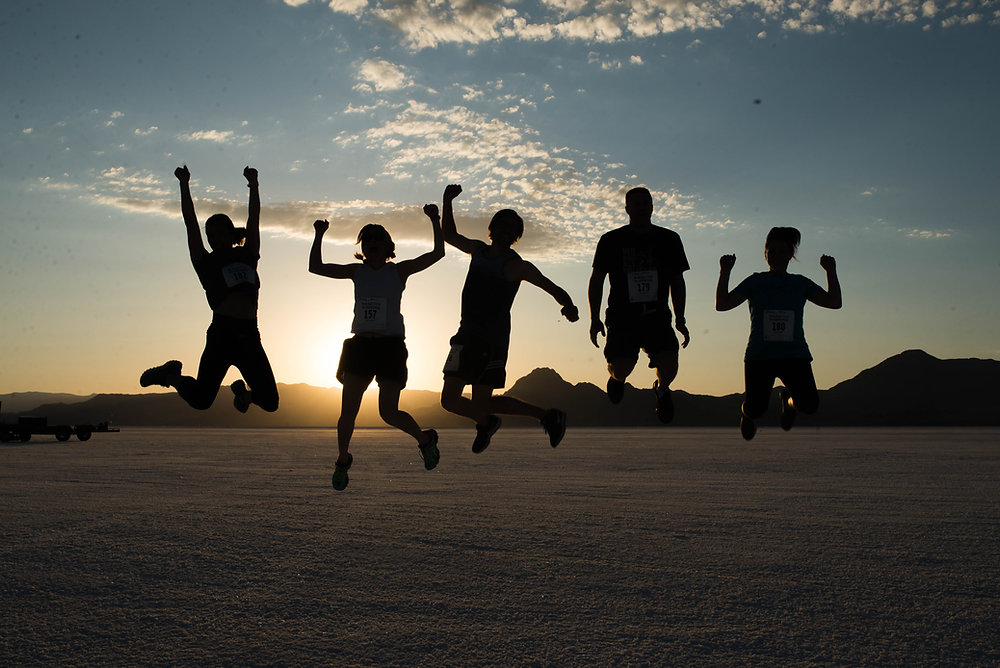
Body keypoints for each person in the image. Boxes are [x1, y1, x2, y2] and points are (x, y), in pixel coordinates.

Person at [309, 205, 444, 490]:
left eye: (377, 238)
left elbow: (437, 254)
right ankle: (342, 460)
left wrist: (435, 219)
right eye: (367, 239)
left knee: (388, 412)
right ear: (362, 248)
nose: (372, 242)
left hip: (390, 347)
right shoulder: (357, 272)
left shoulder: (399, 271)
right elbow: (316, 267)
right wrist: (319, 235)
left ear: (388, 246)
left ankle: (425, 440)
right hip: (360, 346)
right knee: (348, 412)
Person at [439, 184, 579, 453]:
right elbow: (449, 235)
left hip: (491, 341)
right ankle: (488, 422)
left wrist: (568, 305)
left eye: (512, 229)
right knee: (449, 401)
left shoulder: (517, 266)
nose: (506, 231)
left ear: (517, 236)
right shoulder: (477, 251)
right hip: (465, 336)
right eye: (502, 225)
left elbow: (551, 287)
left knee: (481, 401)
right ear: (491, 229)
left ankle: (545, 416)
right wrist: (448, 200)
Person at [140, 165, 279, 415]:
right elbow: (190, 223)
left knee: (270, 402)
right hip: (221, 335)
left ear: (230, 233)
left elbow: (254, 218)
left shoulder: (248, 254)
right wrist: (184, 184)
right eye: (209, 235)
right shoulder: (205, 262)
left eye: (218, 233)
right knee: (202, 400)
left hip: (249, 334)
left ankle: (244, 395)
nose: (213, 239)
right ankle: (171, 376)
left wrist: (253, 184)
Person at [715, 226, 842, 440]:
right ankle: (747, 415)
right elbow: (723, 304)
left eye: (781, 251)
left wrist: (831, 271)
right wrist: (725, 272)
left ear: (790, 255)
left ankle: (788, 401)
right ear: (765, 254)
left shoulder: (800, 283)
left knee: (809, 406)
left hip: (795, 355)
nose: (775, 256)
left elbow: (834, 302)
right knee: (755, 409)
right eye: (771, 251)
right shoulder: (755, 281)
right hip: (760, 356)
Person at [588, 186, 690, 423]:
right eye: (636, 204)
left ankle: (662, 390)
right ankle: (616, 378)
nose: (642, 208)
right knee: (622, 367)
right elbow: (596, 280)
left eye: (646, 203)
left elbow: (677, 281)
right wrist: (594, 318)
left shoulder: (669, 239)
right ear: (627, 209)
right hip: (622, 316)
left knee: (669, 364)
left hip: (657, 315)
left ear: (652, 207)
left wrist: (680, 318)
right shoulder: (611, 240)